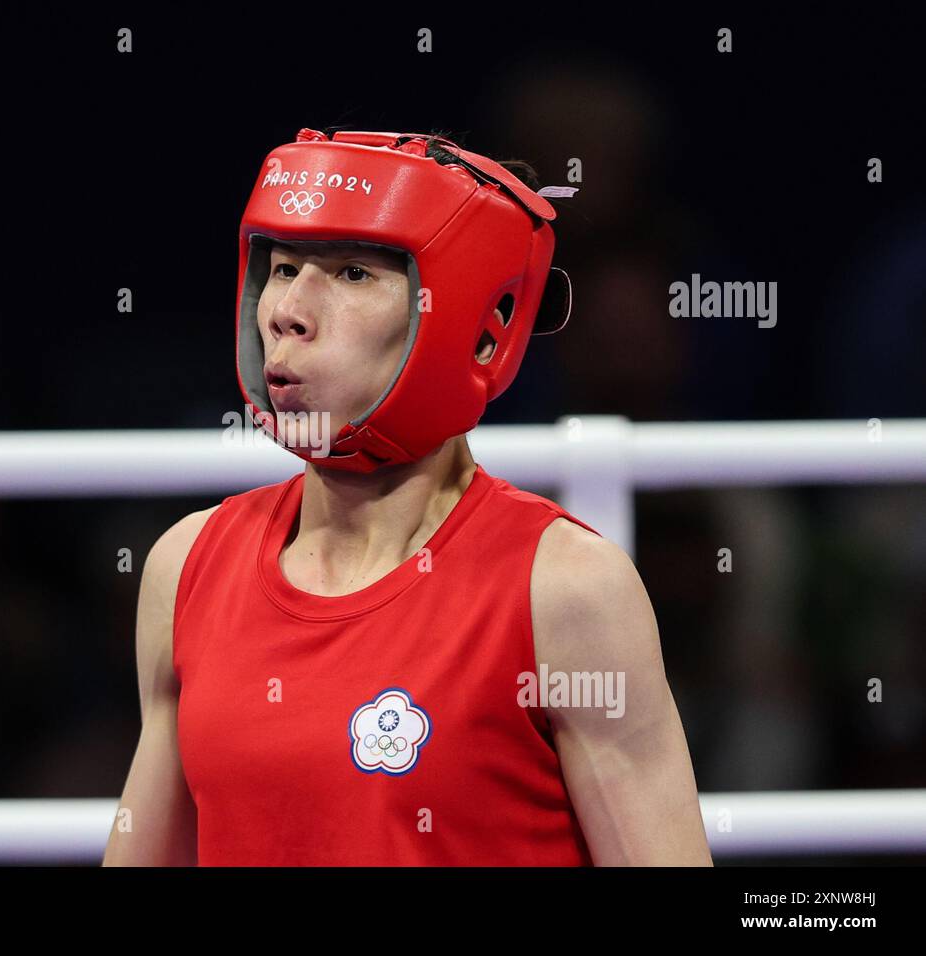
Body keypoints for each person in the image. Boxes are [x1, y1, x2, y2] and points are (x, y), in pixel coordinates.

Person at [103, 128, 711, 865]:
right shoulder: (187, 566)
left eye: (353, 274)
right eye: (285, 266)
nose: (289, 310)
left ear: (477, 328)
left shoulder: (564, 589)